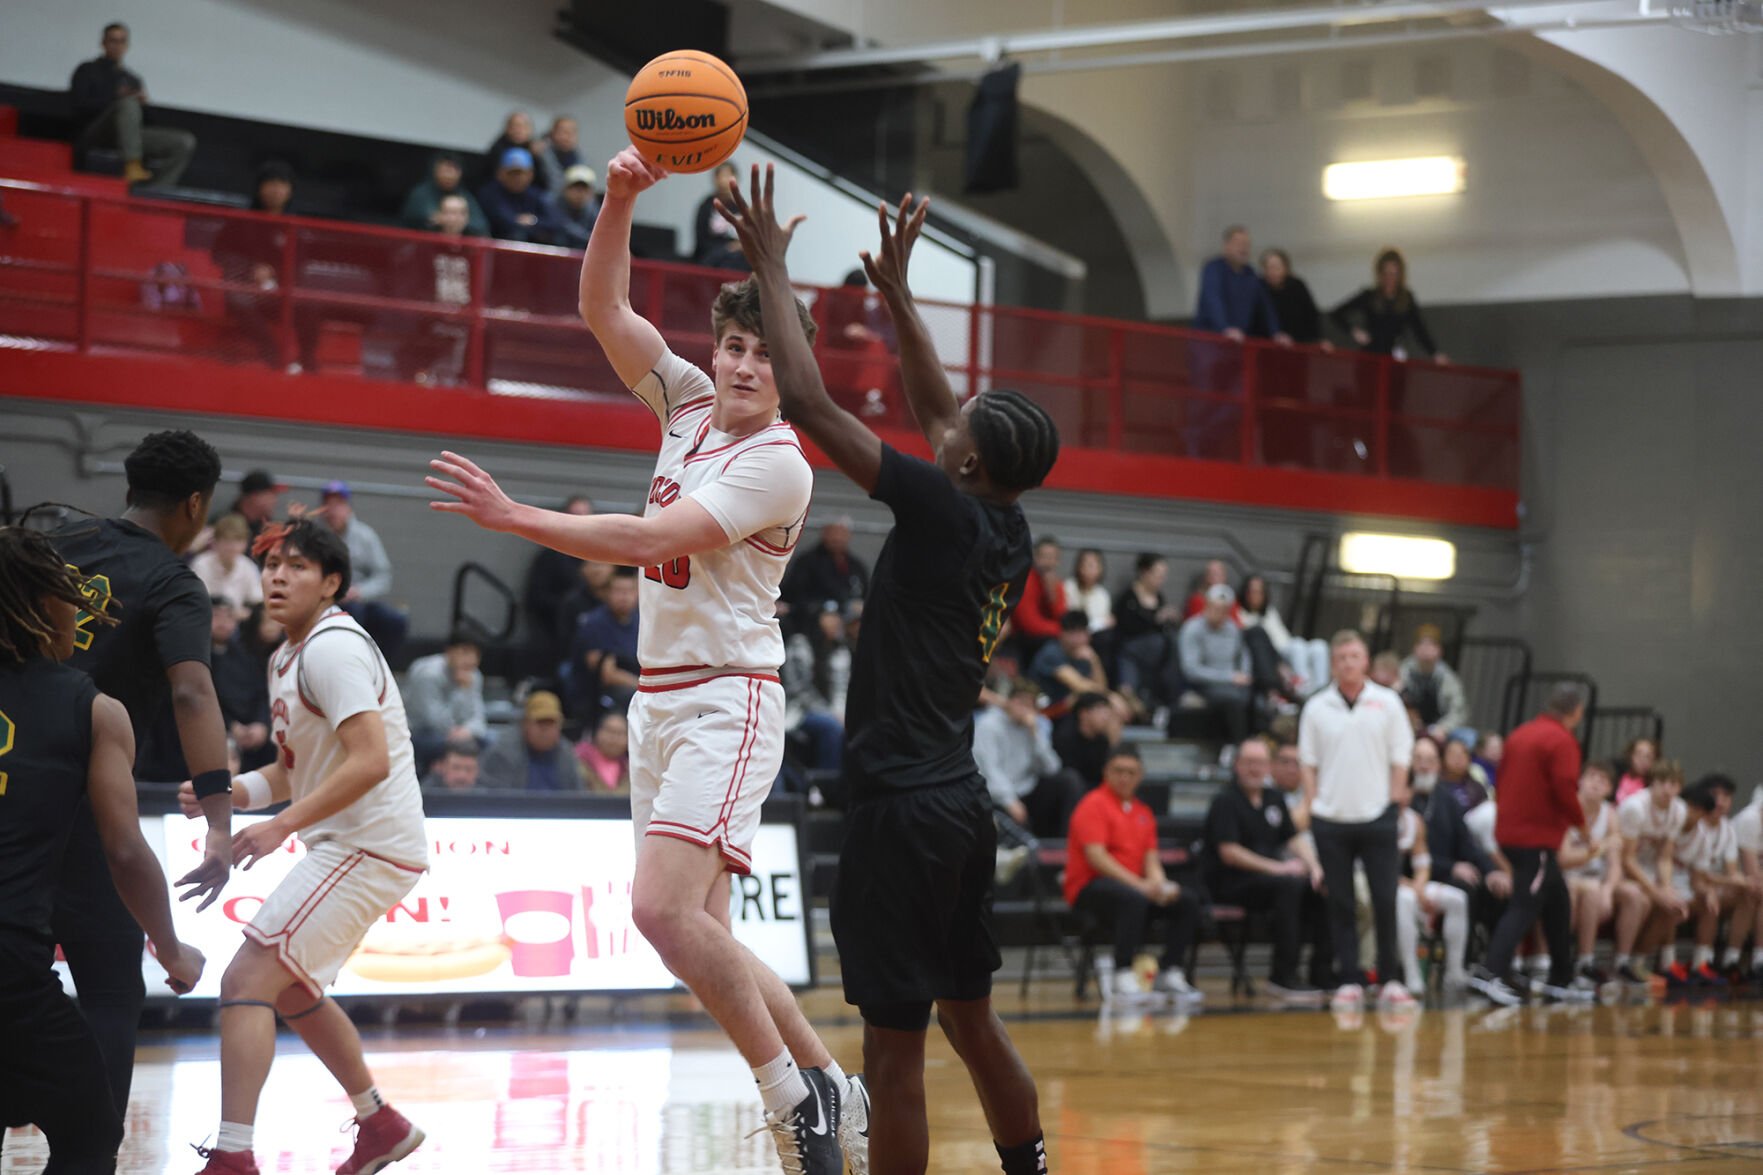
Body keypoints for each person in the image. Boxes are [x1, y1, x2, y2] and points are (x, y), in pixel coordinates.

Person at [431, 147, 854, 1174]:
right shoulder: (691, 402)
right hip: (662, 701)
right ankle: (828, 1078)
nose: (746, 366)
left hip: (727, 697)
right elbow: (603, 309)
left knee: (659, 910)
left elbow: (644, 543)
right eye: (736, 345)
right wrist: (618, 199)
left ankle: (788, 1096)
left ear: (789, 366)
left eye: (764, 352)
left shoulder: (777, 461)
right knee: (700, 926)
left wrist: (513, 514)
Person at [721, 173, 1057, 1175]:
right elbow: (940, 403)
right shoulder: (1002, 521)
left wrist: (772, 270)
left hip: (900, 812)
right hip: (955, 799)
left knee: (891, 1049)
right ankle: (1027, 1164)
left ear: (961, 463)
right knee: (970, 1015)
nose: (946, 420)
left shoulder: (942, 509)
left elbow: (813, 399)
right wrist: (901, 296)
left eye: (959, 429)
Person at [183, 520, 428, 1175]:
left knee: (244, 979)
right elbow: (300, 768)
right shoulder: (286, 655)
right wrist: (233, 790)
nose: (277, 576)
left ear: (332, 583)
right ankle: (381, 1122)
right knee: (287, 987)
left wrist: (282, 824)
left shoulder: (332, 648)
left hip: (367, 841)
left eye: (296, 565)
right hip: (355, 841)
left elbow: (370, 760)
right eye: (270, 566)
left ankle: (233, 1155)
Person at [0, 527, 206, 1172]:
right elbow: (125, 851)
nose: (82, 613)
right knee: (90, 1133)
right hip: (11, 977)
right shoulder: (91, 709)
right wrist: (170, 947)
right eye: (70, 598)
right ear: (36, 606)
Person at [46, 430, 233, 1118]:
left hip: (10, 779)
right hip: (85, 797)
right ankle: (87, 1155)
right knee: (108, 981)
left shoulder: (52, 540)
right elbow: (192, 693)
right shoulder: (173, 581)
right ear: (193, 504)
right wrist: (218, 816)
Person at [1298, 629, 1415, 1012]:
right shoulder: (1316, 707)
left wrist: (1394, 800)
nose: (1349, 663)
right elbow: (1308, 763)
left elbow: (1402, 755)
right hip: (1331, 819)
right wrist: (1314, 806)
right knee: (1342, 903)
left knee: (1385, 899)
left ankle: (1389, 978)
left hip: (1377, 815)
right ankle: (1348, 977)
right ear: (1333, 664)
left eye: (1355, 656)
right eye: (1342, 657)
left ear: (1366, 661)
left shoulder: (1388, 703)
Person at [1468, 683, 1591, 1006]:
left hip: (1510, 831)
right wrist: (1582, 826)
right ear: (1576, 711)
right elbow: (1565, 789)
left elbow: (1504, 780)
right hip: (1534, 838)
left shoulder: (1520, 734)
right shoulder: (1561, 740)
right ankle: (1489, 972)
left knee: (1558, 901)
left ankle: (1561, 976)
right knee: (1524, 905)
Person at [1068, 746, 1203, 1002]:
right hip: (1090, 887)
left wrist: (1160, 885)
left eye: (1131, 772)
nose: (1124, 778)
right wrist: (1140, 886)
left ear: (1140, 775)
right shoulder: (1093, 804)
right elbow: (1097, 858)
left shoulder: (1143, 811)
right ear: (1106, 772)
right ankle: (1122, 974)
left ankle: (1170, 971)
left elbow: (1150, 858)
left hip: (1133, 888)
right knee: (1133, 898)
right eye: (1118, 771)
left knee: (1185, 900)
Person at [1202, 738, 1329, 1001]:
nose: (1254, 769)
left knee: (1321, 887)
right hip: (1231, 883)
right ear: (1237, 765)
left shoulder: (1274, 798)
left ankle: (1323, 973)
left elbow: (1292, 838)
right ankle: (1282, 977)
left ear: (1269, 767)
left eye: (1260, 763)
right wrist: (1279, 868)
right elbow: (1230, 853)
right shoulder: (1225, 800)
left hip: (1268, 881)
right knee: (1290, 886)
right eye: (1248, 763)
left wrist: (1315, 867)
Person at [68, 22, 195, 188]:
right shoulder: (88, 69)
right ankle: (132, 165)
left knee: (184, 142)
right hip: (96, 131)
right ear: (103, 43)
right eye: (113, 40)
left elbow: (145, 122)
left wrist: (143, 105)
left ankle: (155, 192)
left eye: (122, 41)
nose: (117, 45)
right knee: (127, 103)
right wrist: (117, 98)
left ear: (127, 45)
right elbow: (80, 105)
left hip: (128, 135)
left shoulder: (133, 79)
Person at [1661, 776, 1756, 989]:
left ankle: (1713, 962)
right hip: (1667, 882)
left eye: (1726, 796)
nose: (1721, 801)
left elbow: (1711, 874)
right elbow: (1669, 862)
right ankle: (1666, 963)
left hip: (1693, 884)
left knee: (1723, 897)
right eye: (1716, 795)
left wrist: (1740, 882)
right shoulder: (1680, 823)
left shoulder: (1722, 830)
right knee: (1675, 900)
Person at [212, 163, 306, 371]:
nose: (275, 190)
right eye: (270, 184)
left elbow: (299, 264)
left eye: (282, 185)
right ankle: (277, 359)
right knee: (239, 301)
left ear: (290, 190)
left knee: (309, 308)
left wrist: (273, 272)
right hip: (244, 287)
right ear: (259, 188)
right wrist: (250, 269)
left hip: (280, 292)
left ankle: (308, 363)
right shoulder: (240, 221)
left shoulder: (295, 226)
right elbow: (219, 253)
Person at [1558, 760, 1638, 988]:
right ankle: (1558, 961)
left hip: (1592, 878)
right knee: (1580, 891)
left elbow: (1615, 864)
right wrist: (1599, 848)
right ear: (1580, 781)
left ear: (1610, 790)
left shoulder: (1610, 814)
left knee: (1630, 893)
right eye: (1592, 776)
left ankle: (1611, 962)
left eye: (1603, 780)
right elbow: (1563, 859)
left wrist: (1609, 890)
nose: (1596, 783)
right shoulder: (1567, 807)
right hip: (1565, 875)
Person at [974, 681, 1085, 840]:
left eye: (1029, 704)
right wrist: (1010, 801)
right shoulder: (988, 725)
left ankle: (1067, 844)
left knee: (1069, 780)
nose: (1023, 708)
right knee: (1018, 827)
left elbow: (1052, 768)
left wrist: (1035, 735)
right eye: (1020, 701)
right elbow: (989, 771)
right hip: (997, 796)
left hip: (1027, 788)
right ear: (1009, 701)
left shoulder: (1035, 726)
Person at [1613, 759, 1689, 984]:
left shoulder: (1679, 809)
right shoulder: (1635, 807)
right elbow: (1626, 859)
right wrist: (1656, 892)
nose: (1669, 789)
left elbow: (1665, 857)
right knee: (1642, 900)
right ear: (1652, 784)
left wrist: (1665, 888)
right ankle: (1620, 962)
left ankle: (1638, 962)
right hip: (1619, 869)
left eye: (1674, 784)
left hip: (1647, 872)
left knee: (1675, 903)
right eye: (1663, 782)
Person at [314, 482, 407, 660]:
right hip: (323, 601)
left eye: (338, 504)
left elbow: (383, 575)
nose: (333, 510)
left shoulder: (365, 536)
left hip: (357, 598)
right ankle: (350, 663)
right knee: (352, 614)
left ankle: (382, 667)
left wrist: (360, 591)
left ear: (348, 508)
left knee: (395, 620)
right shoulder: (313, 536)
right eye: (328, 504)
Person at [1330, 248, 1447, 362]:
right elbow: (1336, 314)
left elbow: (1420, 330)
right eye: (1386, 273)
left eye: (1394, 273)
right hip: (1370, 356)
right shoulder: (1369, 296)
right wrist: (1354, 331)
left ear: (1400, 274)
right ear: (1380, 274)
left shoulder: (1407, 299)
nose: (1390, 278)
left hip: (1395, 356)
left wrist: (1435, 353)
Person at [1177, 584, 1254, 743]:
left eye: (1223, 609)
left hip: (1234, 684)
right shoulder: (1192, 629)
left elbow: (1243, 655)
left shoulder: (1232, 629)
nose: (1217, 613)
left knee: (1257, 700)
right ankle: (1237, 747)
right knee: (1233, 701)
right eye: (1214, 607)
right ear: (1206, 605)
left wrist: (1245, 674)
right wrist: (1229, 677)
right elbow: (1191, 670)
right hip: (1204, 685)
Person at [401, 632, 488, 769]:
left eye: (475, 655)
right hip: (417, 732)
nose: (470, 660)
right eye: (464, 652)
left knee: (488, 742)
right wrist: (462, 691)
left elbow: (479, 719)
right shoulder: (428, 675)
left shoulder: (474, 676)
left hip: (456, 733)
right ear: (449, 652)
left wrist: (467, 731)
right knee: (444, 744)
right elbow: (435, 722)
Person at [566, 565, 641, 723]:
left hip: (637, 685)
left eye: (629, 591)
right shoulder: (594, 623)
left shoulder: (642, 621)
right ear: (606, 593)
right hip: (599, 694)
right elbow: (607, 674)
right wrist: (643, 687)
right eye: (618, 591)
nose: (624, 597)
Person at [1112, 553, 1182, 715]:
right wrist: (1155, 619)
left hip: (1157, 654)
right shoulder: (1128, 597)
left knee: (1172, 641)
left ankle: (1168, 698)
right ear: (1145, 572)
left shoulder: (1159, 597)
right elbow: (1126, 626)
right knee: (1163, 642)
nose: (1161, 580)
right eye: (1158, 575)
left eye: (1163, 576)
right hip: (1131, 648)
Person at [209, 596, 273, 773]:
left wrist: (261, 724)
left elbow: (263, 693)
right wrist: (230, 725)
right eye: (216, 616)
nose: (222, 622)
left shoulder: (247, 654)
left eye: (228, 616)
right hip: (218, 727)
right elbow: (204, 700)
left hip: (252, 726)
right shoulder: (199, 659)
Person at [1237, 572, 1327, 697]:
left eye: (1260, 592)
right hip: (1276, 655)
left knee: (1319, 646)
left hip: (1288, 648)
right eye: (1253, 591)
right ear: (1245, 593)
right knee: (1298, 645)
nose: (1256, 596)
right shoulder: (1240, 614)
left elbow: (1284, 637)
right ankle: (1302, 687)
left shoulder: (1269, 611)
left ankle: (1322, 690)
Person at [1031, 611, 1131, 723]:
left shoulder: (1085, 654)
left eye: (1081, 633)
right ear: (1062, 634)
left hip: (1069, 712)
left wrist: (1094, 661)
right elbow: (1079, 685)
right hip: (1044, 710)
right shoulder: (1051, 653)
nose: (1077, 639)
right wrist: (1111, 697)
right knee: (1085, 703)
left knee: (1105, 711)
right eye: (1072, 633)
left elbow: (1100, 687)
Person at [523, 496, 596, 645]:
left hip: (595, 632)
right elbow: (536, 597)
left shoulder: (599, 552)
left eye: (585, 515)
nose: (580, 520)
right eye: (575, 515)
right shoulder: (550, 555)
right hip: (557, 631)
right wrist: (568, 608)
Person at [477, 691, 585, 792]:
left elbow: (577, 796)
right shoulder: (503, 751)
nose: (545, 731)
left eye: (551, 723)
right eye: (540, 723)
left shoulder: (566, 752)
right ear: (525, 724)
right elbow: (498, 800)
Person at [1193, 226, 1283, 342]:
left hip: (1238, 341)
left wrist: (1276, 333)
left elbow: (1265, 306)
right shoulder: (1213, 268)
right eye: (1238, 244)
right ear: (1226, 246)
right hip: (1210, 340)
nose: (1243, 248)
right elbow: (1213, 299)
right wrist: (1225, 328)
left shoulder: (1250, 273)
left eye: (1246, 244)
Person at [779, 517, 870, 628]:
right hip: (817, 613)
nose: (837, 538)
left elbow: (865, 593)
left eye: (841, 533)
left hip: (849, 614)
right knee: (829, 622)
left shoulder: (856, 565)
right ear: (824, 534)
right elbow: (796, 594)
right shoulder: (807, 561)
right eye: (833, 533)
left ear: (848, 536)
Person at [1398, 626, 1470, 741]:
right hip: (1405, 726)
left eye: (1431, 645)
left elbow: (1458, 711)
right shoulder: (1402, 672)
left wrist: (1444, 728)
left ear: (1439, 650)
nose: (1426, 649)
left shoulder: (1448, 678)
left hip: (1438, 730)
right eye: (1422, 644)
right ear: (1415, 648)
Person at [478, 147, 562, 244]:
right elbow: (504, 222)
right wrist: (534, 227)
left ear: (531, 174)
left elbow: (556, 222)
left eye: (521, 173)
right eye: (512, 173)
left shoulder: (536, 195)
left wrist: (533, 221)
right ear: (500, 173)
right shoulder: (490, 193)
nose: (517, 178)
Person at [400, 152, 489, 237]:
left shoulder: (465, 196)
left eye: (454, 170)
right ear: (435, 170)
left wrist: (455, 221)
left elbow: (480, 226)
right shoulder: (421, 193)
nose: (449, 175)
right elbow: (414, 218)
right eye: (445, 170)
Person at [191, 514, 264, 618]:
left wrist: (246, 613)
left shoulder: (248, 566)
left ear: (245, 544)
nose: (232, 547)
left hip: (236, 625)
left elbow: (256, 600)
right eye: (226, 541)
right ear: (215, 542)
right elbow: (196, 600)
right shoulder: (201, 564)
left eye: (237, 541)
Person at [1010, 537, 1067, 662]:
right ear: (1034, 557)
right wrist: (1062, 631)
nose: (1048, 562)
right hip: (1023, 638)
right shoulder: (1025, 581)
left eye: (1052, 557)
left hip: (1049, 634)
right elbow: (1028, 624)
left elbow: (1062, 617)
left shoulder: (1057, 584)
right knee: (1052, 646)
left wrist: (1052, 596)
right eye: (1044, 556)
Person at [1258, 248, 1324, 345]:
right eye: (1268, 268)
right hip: (1268, 344)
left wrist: (1318, 339)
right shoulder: (1259, 287)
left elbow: (1311, 315)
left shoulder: (1297, 286)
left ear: (1286, 268)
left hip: (1298, 344)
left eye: (1276, 267)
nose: (1272, 272)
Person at [1053, 692, 1118, 789]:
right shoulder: (1065, 736)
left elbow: (1105, 773)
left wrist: (1114, 741)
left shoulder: (1102, 740)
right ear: (1084, 713)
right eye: (1101, 710)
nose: (1106, 717)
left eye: (1107, 711)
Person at [693, 160, 741, 265]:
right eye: (721, 176)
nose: (724, 181)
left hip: (736, 261)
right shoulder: (706, 206)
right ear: (715, 179)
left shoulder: (741, 209)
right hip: (711, 259)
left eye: (728, 176)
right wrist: (727, 248)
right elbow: (701, 242)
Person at [224, 471, 284, 551]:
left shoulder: (268, 527)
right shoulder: (225, 523)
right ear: (254, 496)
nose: (275, 500)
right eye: (271, 494)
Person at [483, 110, 544, 188]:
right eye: (514, 126)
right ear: (507, 128)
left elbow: (542, 181)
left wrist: (536, 157)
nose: (518, 130)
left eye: (523, 126)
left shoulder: (537, 149)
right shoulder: (497, 149)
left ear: (530, 130)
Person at [576, 710, 631, 794]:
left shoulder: (632, 770)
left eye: (620, 733)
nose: (614, 738)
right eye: (609, 731)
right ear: (597, 732)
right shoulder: (578, 762)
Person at [551, 164, 602, 249]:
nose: (580, 193)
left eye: (584, 189)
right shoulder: (552, 204)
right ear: (565, 189)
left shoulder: (595, 212)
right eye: (575, 187)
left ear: (591, 192)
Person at [1064, 548, 1112, 634]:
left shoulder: (1102, 595)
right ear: (1078, 567)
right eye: (1085, 564)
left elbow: (1105, 623)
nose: (1087, 569)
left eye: (1092, 565)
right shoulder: (1067, 587)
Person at [1437, 738, 1489, 813]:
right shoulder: (1436, 788)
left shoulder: (1477, 788)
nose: (1458, 758)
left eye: (1463, 754)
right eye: (1453, 754)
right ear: (1443, 759)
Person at [535, 115, 582, 193]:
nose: (567, 136)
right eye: (563, 132)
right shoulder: (540, 155)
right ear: (553, 134)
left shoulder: (581, 160)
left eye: (572, 132)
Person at [1615, 736, 1659, 804]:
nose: (1643, 760)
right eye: (1638, 754)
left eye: (1648, 756)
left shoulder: (1656, 784)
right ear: (1630, 755)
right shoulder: (1615, 773)